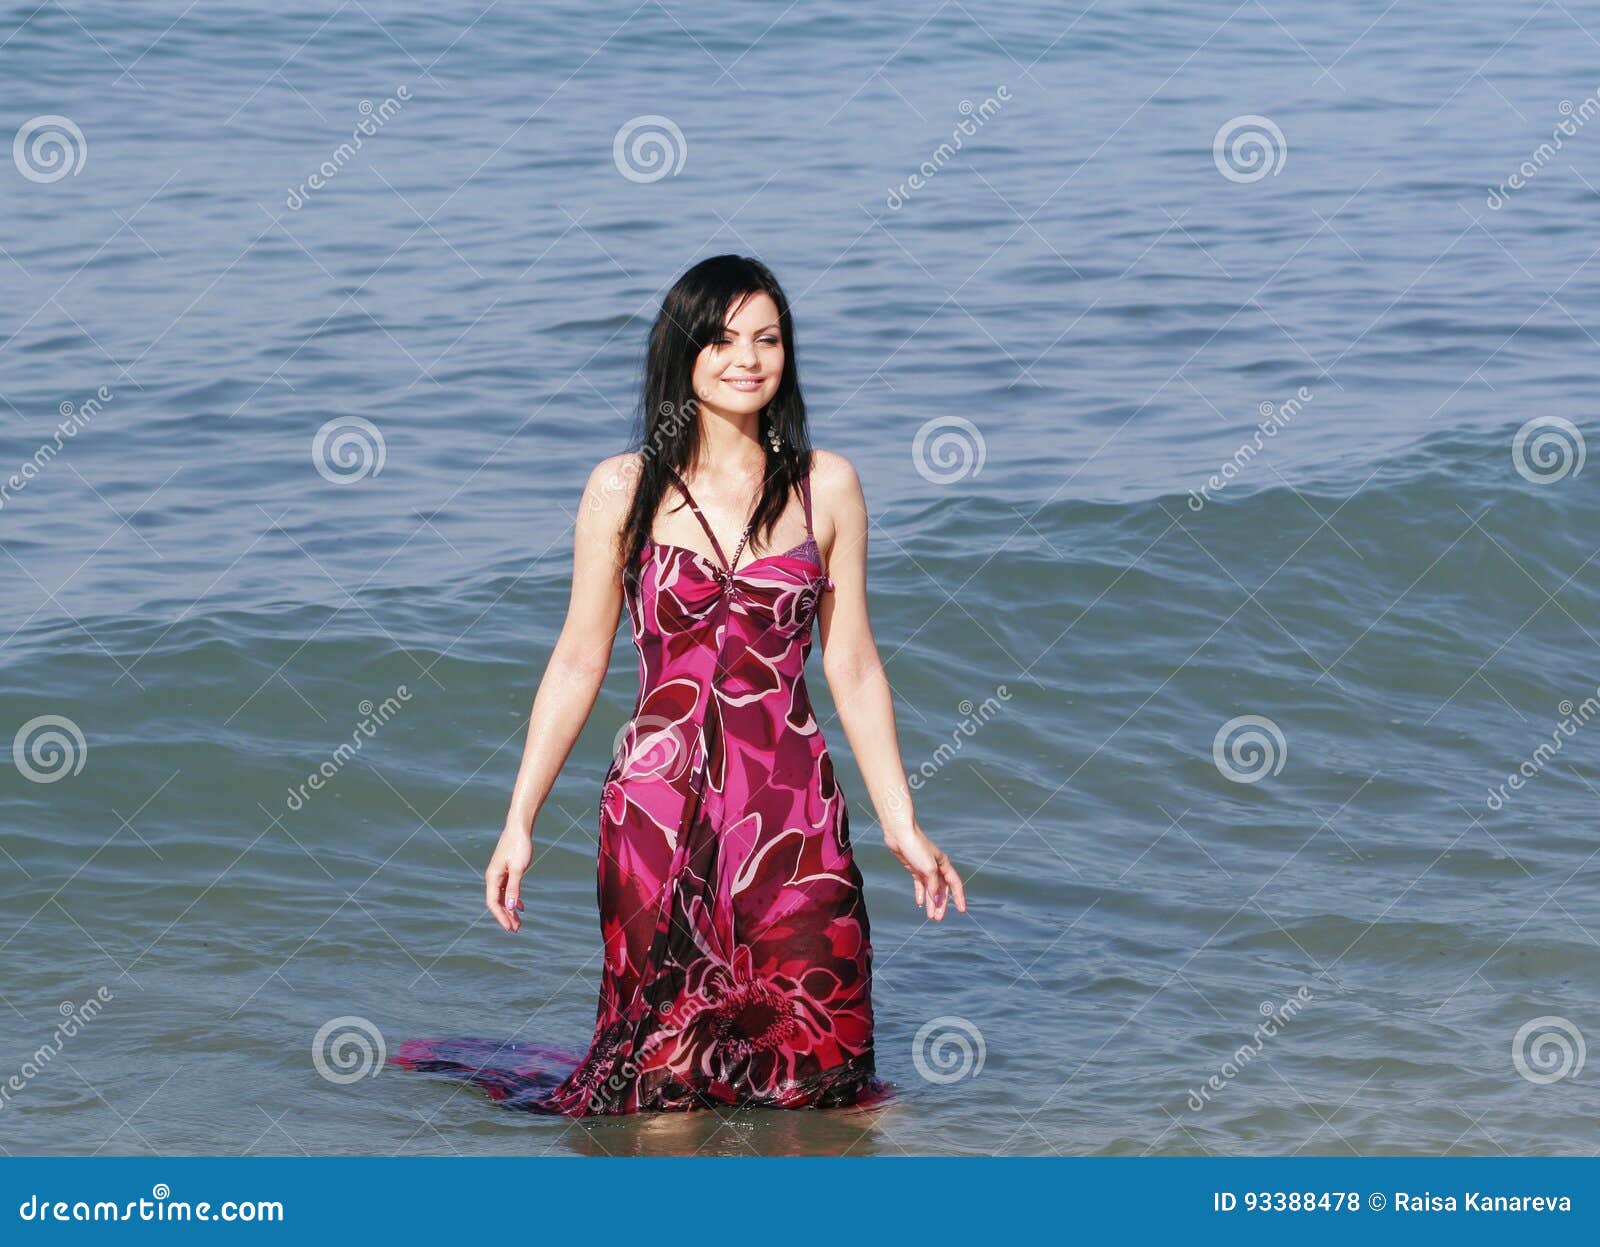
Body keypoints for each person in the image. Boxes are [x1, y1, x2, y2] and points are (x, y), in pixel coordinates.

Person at [393, 254, 966, 1115]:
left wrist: (902, 824)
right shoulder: (622, 488)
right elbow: (579, 659)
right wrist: (519, 822)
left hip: (794, 813)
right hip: (656, 810)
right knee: (664, 1090)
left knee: (827, 1080)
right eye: (724, 338)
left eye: (768, 338)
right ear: (683, 353)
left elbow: (851, 662)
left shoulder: (827, 485)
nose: (748, 357)